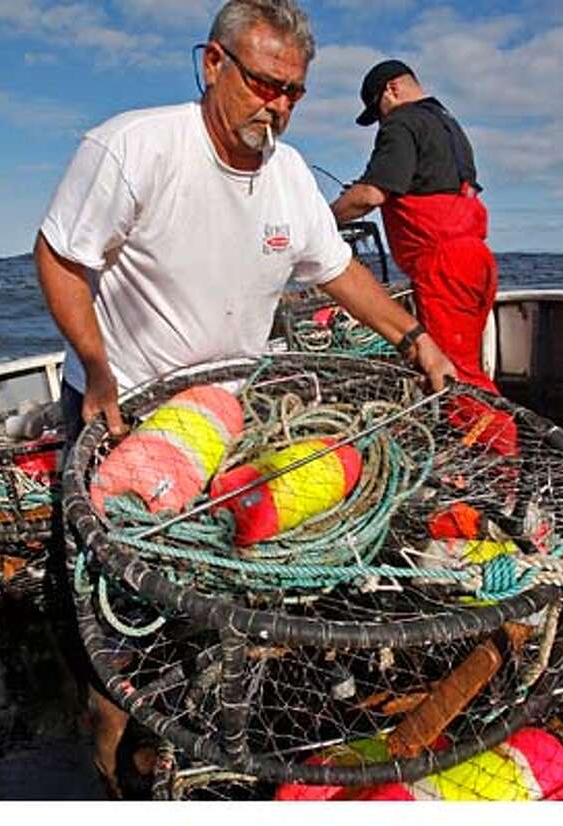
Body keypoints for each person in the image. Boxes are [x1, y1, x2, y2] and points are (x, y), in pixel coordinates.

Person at [33, 0, 456, 797]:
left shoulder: (288, 177)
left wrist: (413, 337)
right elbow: (59, 257)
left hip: (224, 413)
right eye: (264, 83)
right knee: (113, 592)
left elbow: (336, 269)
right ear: (213, 64)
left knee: (201, 575)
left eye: (293, 92)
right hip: (124, 409)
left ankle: (173, 727)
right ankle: (107, 740)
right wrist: (97, 369)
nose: (278, 106)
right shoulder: (136, 147)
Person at [330, 60, 499, 394]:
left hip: (444, 265)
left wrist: (320, 219)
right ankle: (483, 424)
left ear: (392, 89)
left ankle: (492, 430)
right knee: (466, 364)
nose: (381, 121)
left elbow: (371, 194)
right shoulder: (447, 124)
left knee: (451, 375)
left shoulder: (401, 121)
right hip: (477, 261)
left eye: (378, 111)